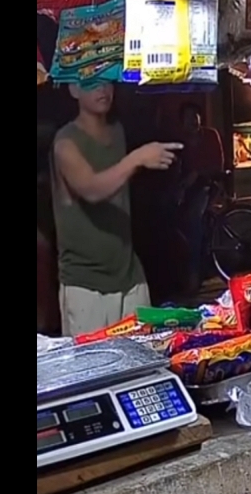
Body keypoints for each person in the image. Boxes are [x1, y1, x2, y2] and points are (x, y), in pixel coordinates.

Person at [51, 82, 182, 335]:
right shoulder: (65, 142)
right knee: (95, 371)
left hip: (129, 275)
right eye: (91, 82)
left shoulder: (117, 130)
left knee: (142, 363)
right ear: (73, 90)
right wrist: (136, 159)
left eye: (106, 80)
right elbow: (91, 188)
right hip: (86, 283)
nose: (102, 89)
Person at [174, 102, 225, 291]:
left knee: (194, 220)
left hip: (210, 186)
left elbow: (217, 165)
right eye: (188, 118)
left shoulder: (210, 136)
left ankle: (194, 276)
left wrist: (197, 174)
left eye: (195, 116)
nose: (193, 121)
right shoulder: (181, 143)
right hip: (188, 190)